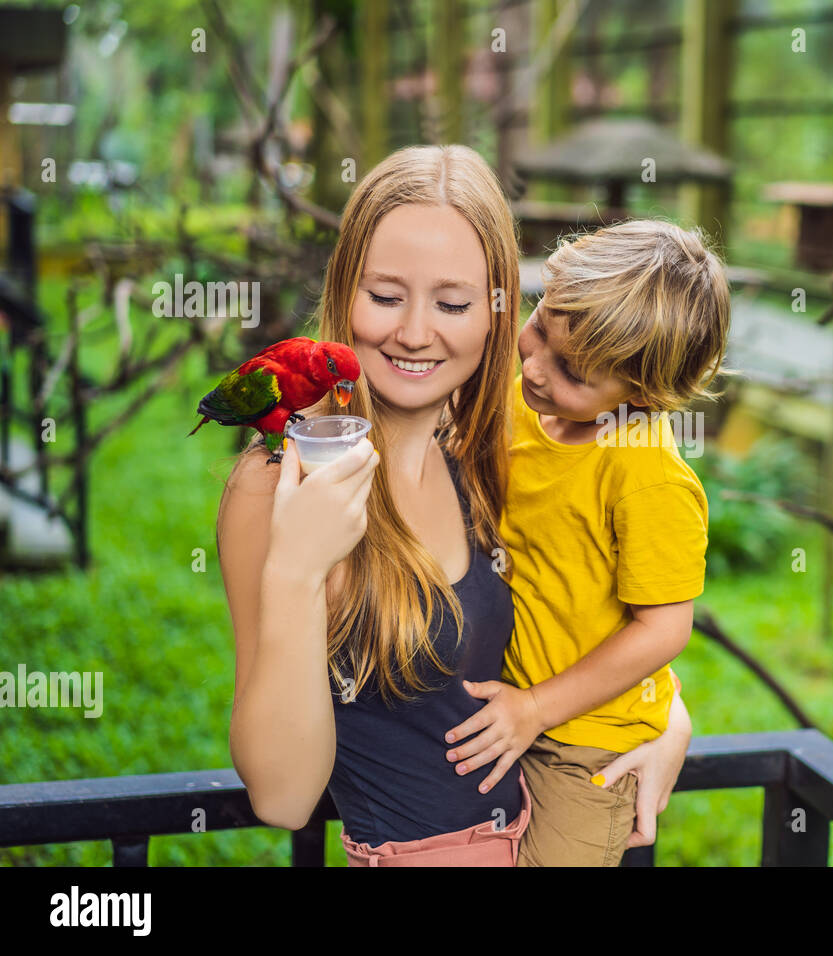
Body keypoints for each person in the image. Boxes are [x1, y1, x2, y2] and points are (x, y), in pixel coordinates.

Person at [217, 145, 691, 866]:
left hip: (537, 832)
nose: (413, 332)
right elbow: (282, 796)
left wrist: (666, 719)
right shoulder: (282, 484)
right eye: (384, 296)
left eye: (453, 303)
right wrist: (295, 572)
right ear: (345, 291)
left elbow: (598, 613)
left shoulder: (488, 452)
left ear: (499, 309)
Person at [437, 220, 730, 866]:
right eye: (540, 327)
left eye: (571, 371)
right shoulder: (521, 403)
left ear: (642, 396)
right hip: (497, 700)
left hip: (589, 746)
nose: (535, 367)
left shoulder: (645, 473)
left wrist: (537, 708)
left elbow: (664, 631)